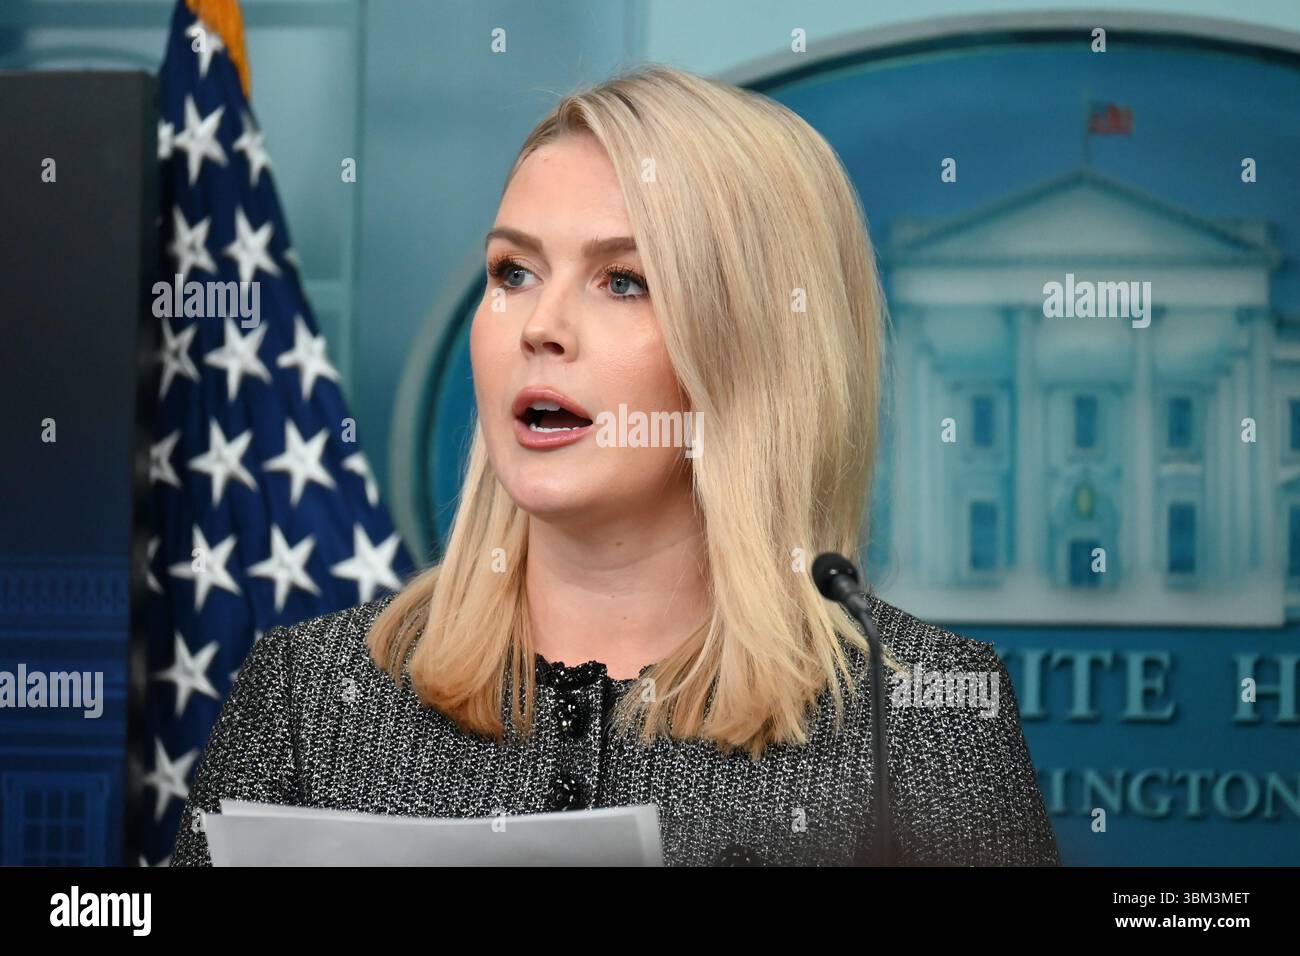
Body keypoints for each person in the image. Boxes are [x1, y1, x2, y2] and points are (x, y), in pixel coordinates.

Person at [171, 63, 1059, 867]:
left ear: (753, 347)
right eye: (513, 271)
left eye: (623, 281)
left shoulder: (922, 718)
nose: (538, 325)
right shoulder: (309, 699)